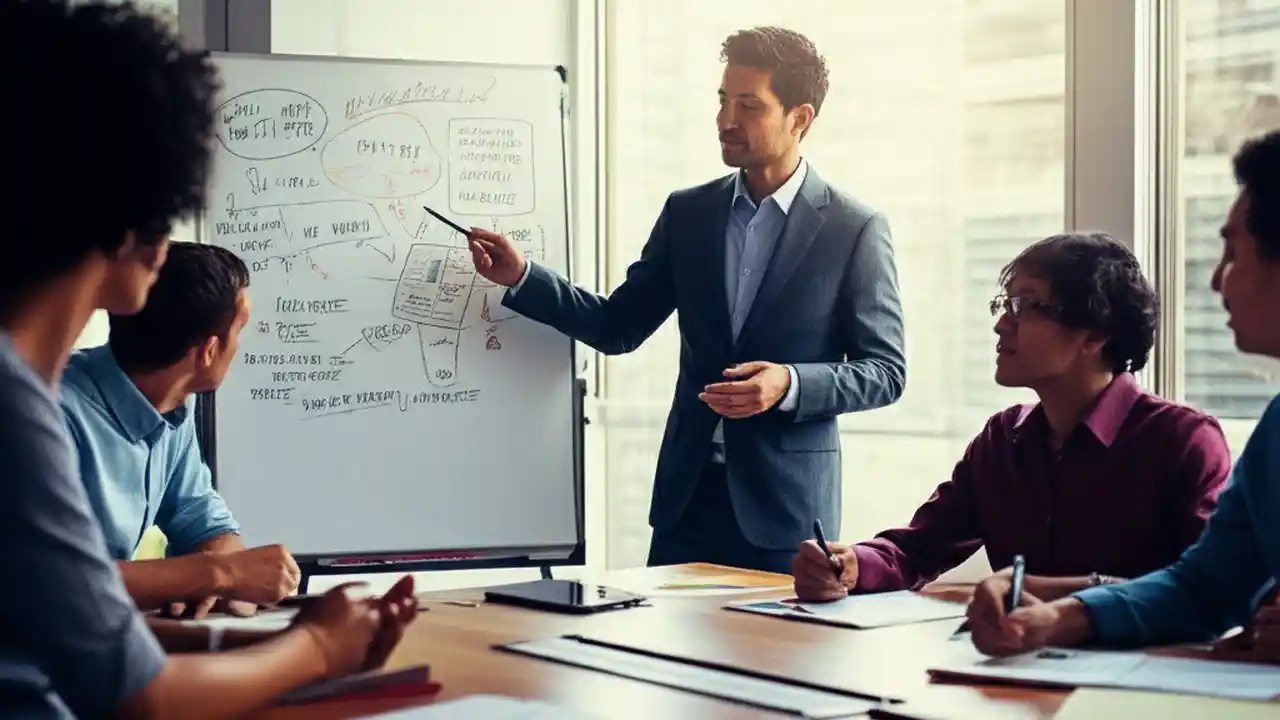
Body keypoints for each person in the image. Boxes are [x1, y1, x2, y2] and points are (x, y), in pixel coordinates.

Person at [0, 2, 415, 717]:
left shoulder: (37, 395)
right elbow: (146, 701)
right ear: (145, 229)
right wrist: (318, 649)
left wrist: (264, 637)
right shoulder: (20, 413)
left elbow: (85, 635)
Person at [469, 26, 906, 573]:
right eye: (723, 100)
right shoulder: (689, 214)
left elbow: (886, 371)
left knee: (777, 658)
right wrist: (523, 277)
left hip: (785, 514)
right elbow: (618, 326)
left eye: (749, 105)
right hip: (686, 501)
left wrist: (789, 383)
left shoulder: (854, 228)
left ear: (800, 118)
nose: (726, 120)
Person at [966, 131, 1280, 662]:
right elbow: (1204, 587)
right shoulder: (1276, 427)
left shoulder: (1183, 437)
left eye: (1234, 253)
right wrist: (1057, 617)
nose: (1216, 282)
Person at [793, 233, 1231, 603]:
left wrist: (1061, 597)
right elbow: (917, 550)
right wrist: (850, 565)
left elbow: (1208, 589)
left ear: (1095, 334)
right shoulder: (1004, 439)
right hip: (1016, 671)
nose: (1002, 324)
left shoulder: (1182, 440)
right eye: (1004, 304)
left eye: (1027, 305)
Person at [61, 243, 296, 619]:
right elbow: (56, 582)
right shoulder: (53, 413)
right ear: (208, 351)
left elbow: (208, 527)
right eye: (241, 328)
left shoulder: (171, 411)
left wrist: (212, 574)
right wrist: (216, 574)